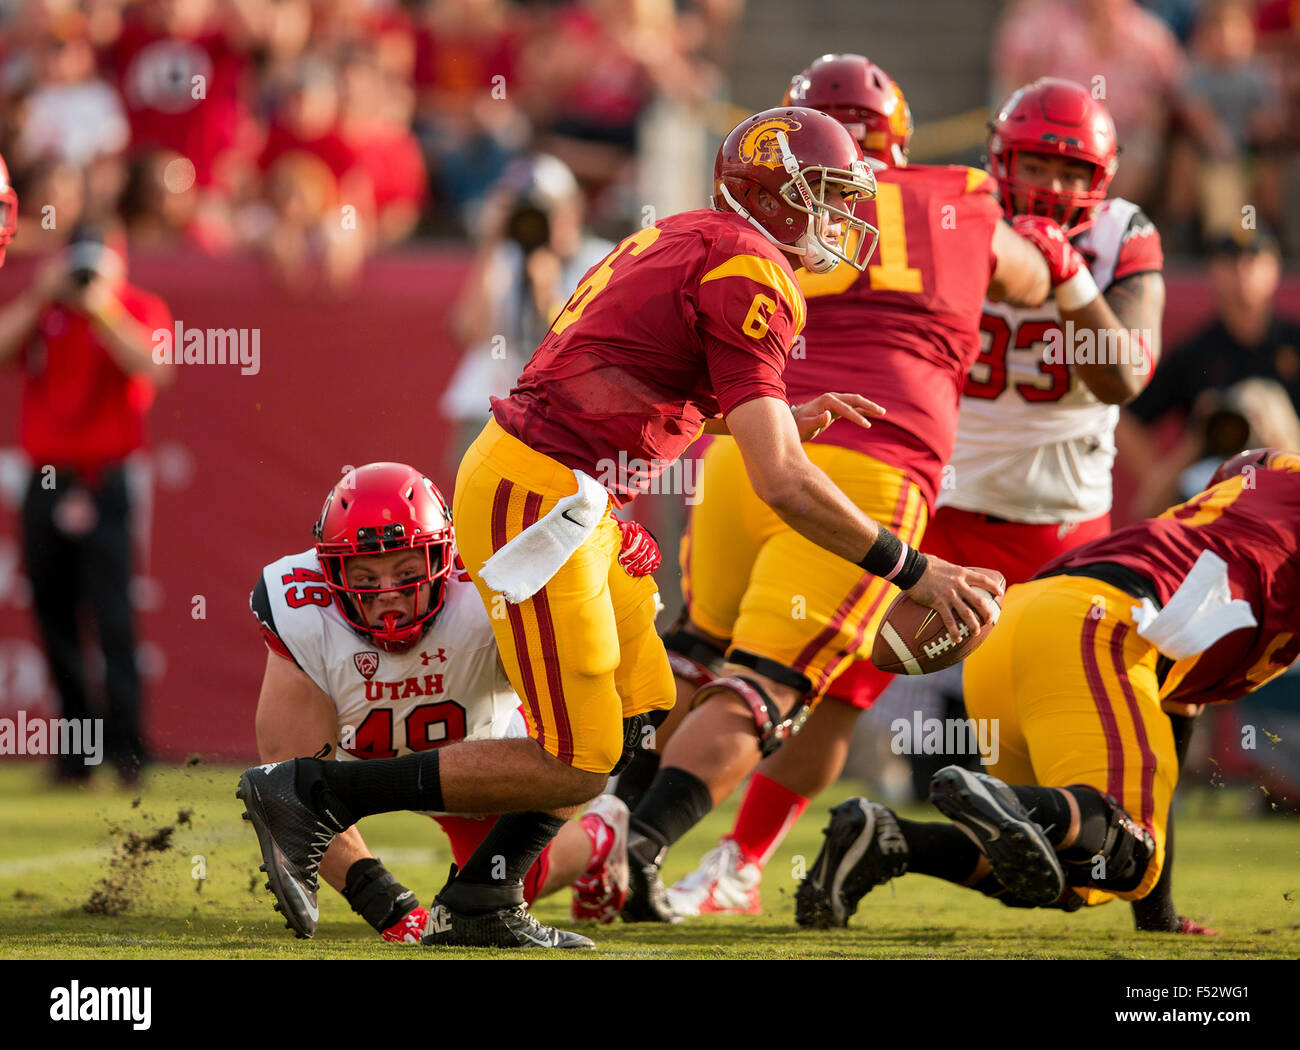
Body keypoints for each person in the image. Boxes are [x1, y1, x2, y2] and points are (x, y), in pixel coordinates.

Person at [237, 105, 1003, 949]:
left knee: (647, 704)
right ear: (772, 194)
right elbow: (782, 484)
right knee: (581, 756)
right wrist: (915, 571)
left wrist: (764, 411)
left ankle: (485, 899)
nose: (840, 217)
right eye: (824, 194)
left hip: (572, 490)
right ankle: (316, 793)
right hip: (542, 496)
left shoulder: (691, 236)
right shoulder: (750, 272)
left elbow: (620, 381)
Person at [646, 54, 1058, 919]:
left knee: (702, 660)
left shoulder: (744, 215)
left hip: (748, 444)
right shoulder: (961, 199)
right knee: (776, 687)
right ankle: (635, 850)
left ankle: (622, 834)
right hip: (884, 462)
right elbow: (1041, 278)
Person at [799, 448, 1300, 926]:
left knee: (1074, 866)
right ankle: (1014, 802)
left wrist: (1160, 920)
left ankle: (886, 839)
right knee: (1125, 850)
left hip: (1013, 620)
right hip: (1098, 626)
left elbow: (1177, 713)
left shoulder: (1253, 494)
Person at [248, 463, 630, 941]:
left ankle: (602, 835)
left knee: (517, 880)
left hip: (484, 756)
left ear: (444, 559)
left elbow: (573, 723)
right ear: (330, 573)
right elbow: (293, 792)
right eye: (365, 580)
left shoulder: (493, 587)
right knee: (306, 783)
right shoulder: (303, 614)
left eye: (407, 571)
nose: (389, 595)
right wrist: (387, 905)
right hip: (363, 766)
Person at [0, 222, 173, 785]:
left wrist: (101, 307)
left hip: (107, 477)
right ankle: (77, 751)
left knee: (113, 613)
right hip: (48, 476)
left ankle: (128, 747)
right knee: (53, 611)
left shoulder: (137, 307)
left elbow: (153, 367)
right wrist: (40, 295)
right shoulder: (45, 309)